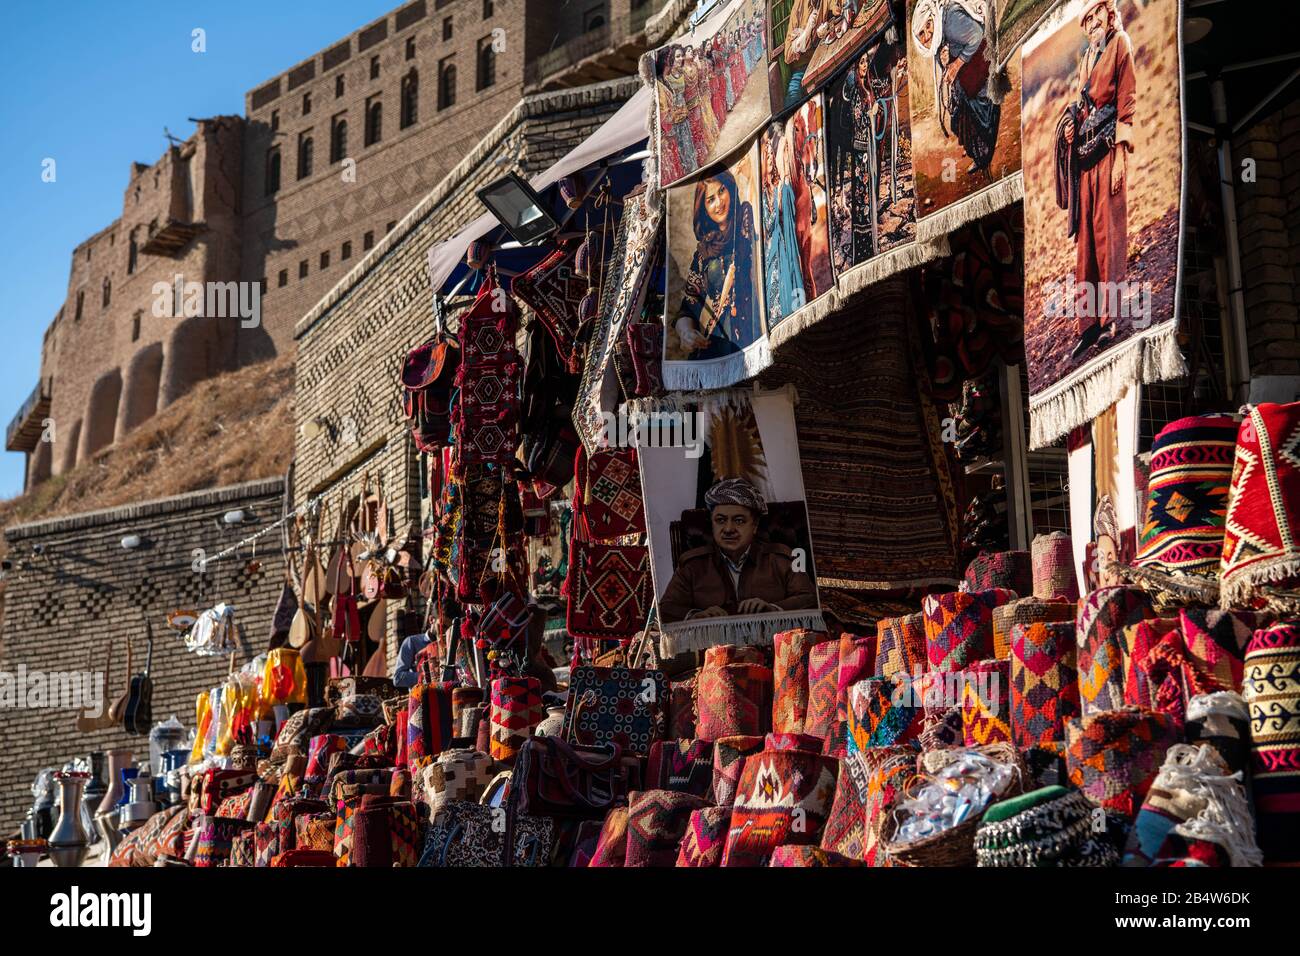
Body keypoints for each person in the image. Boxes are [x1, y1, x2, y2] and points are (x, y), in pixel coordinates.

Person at [1055, 0, 1137, 361]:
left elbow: (1127, 102)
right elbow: (1083, 108)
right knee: (1086, 243)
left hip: (1108, 156)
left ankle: (1111, 320)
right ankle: (1088, 327)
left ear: (1108, 11)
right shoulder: (1087, 59)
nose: (1091, 22)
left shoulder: (1120, 44)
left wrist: (1120, 157)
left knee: (1110, 239)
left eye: (1095, 14)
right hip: (1086, 162)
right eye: (1086, 18)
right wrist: (1071, 129)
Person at [658, 478, 817, 623]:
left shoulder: (785, 557)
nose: (728, 529)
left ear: (754, 526)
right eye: (720, 520)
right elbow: (666, 609)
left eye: (739, 521)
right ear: (712, 523)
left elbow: (810, 598)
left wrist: (773, 609)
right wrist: (695, 615)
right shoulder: (691, 565)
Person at [675, 170, 759, 358]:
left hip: (751, 327)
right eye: (710, 199)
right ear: (703, 208)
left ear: (730, 189)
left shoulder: (745, 218)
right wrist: (686, 333)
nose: (719, 203)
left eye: (722, 191)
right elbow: (689, 306)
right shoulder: (703, 253)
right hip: (720, 337)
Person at [911, 0, 1000, 174]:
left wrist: (956, 63)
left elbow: (976, 35)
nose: (927, 35)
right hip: (965, 84)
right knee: (962, 120)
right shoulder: (937, 34)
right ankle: (979, 156)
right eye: (921, 34)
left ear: (933, 18)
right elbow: (943, 58)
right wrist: (945, 61)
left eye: (928, 26)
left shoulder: (950, 21)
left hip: (978, 72)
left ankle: (985, 159)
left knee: (983, 118)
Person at [762, 125, 807, 322]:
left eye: (771, 153)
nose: (770, 156)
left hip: (785, 256)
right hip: (771, 265)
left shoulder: (780, 189)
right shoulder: (760, 198)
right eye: (766, 153)